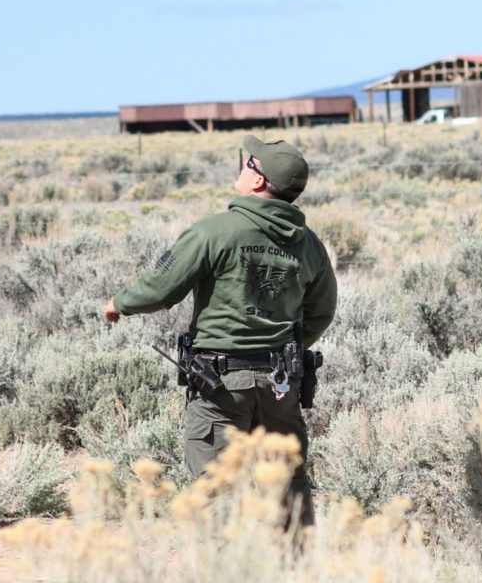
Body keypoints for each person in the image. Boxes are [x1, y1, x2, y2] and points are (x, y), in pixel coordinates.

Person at [103, 134, 338, 514]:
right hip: (282, 385)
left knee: (216, 491)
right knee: (288, 486)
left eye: (249, 162)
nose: (244, 165)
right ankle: (296, 566)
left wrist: (120, 303)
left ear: (258, 180)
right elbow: (321, 311)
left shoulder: (215, 230)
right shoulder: (309, 243)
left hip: (221, 385)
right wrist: (283, 350)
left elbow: (162, 288)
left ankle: (223, 570)